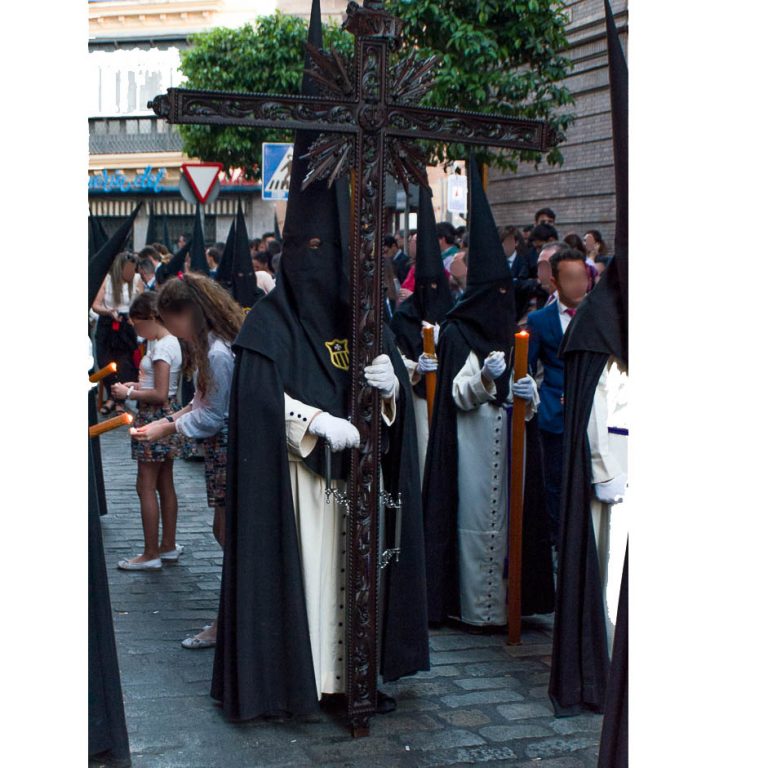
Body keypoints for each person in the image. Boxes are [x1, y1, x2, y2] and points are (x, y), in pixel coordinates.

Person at [211, 0, 429, 721]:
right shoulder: (267, 327)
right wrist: (317, 424)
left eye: (327, 252)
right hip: (301, 492)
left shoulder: (363, 314)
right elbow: (258, 405)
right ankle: (307, 681)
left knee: (359, 577)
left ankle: (361, 677)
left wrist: (388, 385)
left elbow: (393, 401)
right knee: (313, 587)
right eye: (307, 253)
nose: (319, 265)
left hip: (361, 494)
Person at [422, 155, 554, 630]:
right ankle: (473, 607)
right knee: (475, 524)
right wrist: (484, 381)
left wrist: (527, 393)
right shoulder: (458, 334)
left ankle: (506, 605)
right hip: (470, 448)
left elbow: (527, 397)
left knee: (509, 522)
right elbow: (456, 397)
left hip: (509, 444)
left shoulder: (512, 333)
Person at [131, 272, 243, 648]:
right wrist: (167, 422)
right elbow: (200, 405)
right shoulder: (211, 346)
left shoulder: (216, 352)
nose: (172, 331)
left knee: (227, 532)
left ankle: (230, 616)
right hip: (219, 450)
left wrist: (167, 428)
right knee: (223, 530)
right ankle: (232, 613)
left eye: (172, 321)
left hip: (227, 450)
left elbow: (213, 414)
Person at [111, 291, 185, 570]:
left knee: (146, 485)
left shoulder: (163, 347)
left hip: (155, 416)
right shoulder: (166, 343)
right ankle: (166, 545)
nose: (139, 332)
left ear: (154, 318)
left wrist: (128, 391)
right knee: (164, 482)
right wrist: (138, 386)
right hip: (163, 415)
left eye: (140, 326)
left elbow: (161, 393)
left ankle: (151, 552)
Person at [526, 248, 590, 548]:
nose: (579, 285)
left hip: (591, 412)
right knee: (555, 481)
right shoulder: (540, 320)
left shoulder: (597, 315)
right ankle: (556, 539)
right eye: (571, 278)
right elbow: (528, 367)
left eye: (583, 277)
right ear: (554, 281)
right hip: (554, 414)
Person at [390, 186, 454, 482]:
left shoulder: (452, 316)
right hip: (416, 406)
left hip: (450, 403)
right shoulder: (404, 317)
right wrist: (416, 367)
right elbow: (394, 359)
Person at [91, 251, 143, 414]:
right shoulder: (106, 280)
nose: (130, 272)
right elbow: (96, 305)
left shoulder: (136, 280)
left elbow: (141, 303)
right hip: (108, 324)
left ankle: (117, 400)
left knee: (125, 363)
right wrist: (108, 312)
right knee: (105, 361)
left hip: (126, 325)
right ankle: (113, 396)